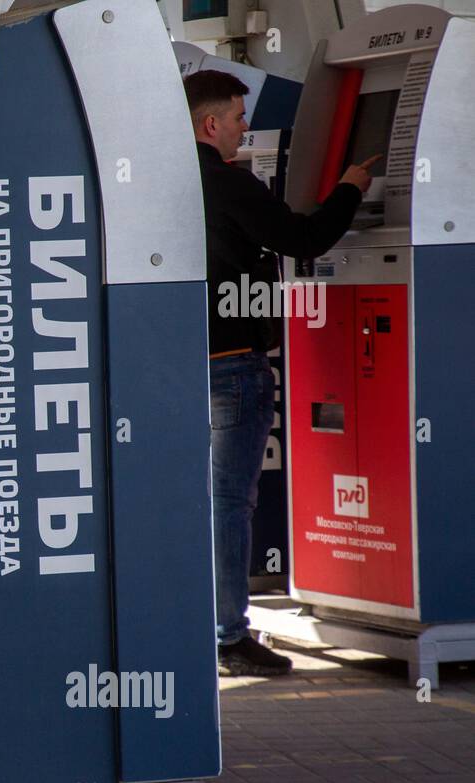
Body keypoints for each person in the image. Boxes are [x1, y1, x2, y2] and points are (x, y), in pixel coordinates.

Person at [184, 70, 378, 677]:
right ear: (211, 124)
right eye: (240, 116)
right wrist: (350, 187)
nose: (247, 125)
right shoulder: (226, 184)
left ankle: (203, 627)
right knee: (230, 502)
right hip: (234, 368)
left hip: (184, 363)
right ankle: (228, 636)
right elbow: (304, 238)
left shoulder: (167, 180)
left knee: (203, 501)